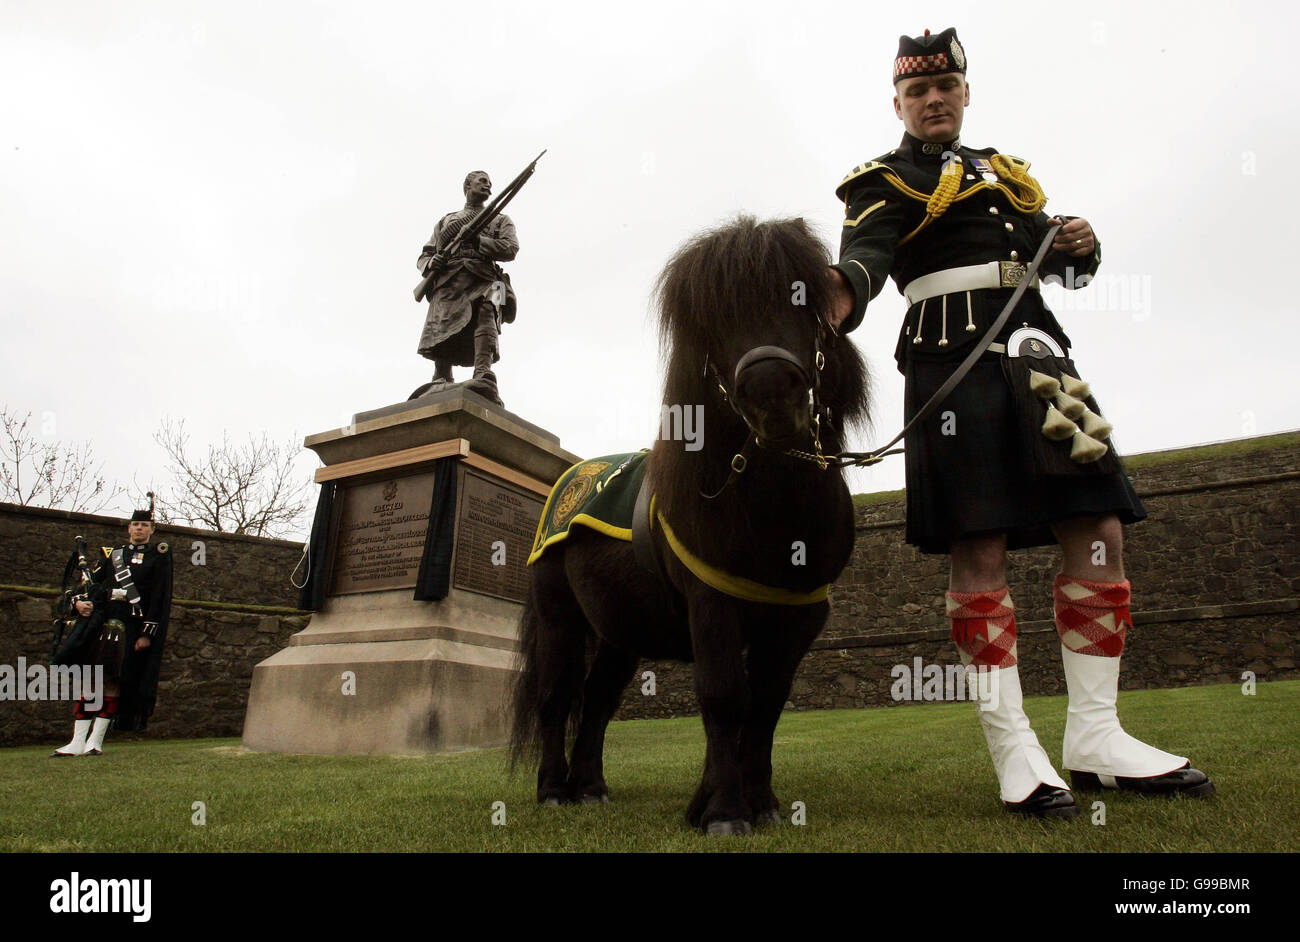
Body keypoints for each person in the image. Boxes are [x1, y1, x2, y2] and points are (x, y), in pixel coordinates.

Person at [828, 28, 1212, 817]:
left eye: (946, 88)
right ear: (898, 103)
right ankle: (1015, 748)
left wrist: (1079, 241)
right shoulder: (881, 180)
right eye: (916, 92)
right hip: (951, 363)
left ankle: (1096, 735)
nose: (933, 100)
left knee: (1098, 522)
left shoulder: (1007, 177)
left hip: (1041, 361)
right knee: (979, 539)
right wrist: (836, 292)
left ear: (965, 92)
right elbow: (866, 257)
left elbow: (1063, 271)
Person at [50, 496, 174, 756]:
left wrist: (147, 634)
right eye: (135, 524)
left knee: (114, 681)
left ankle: (96, 741)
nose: (139, 528)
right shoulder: (113, 555)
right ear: (128, 528)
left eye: (144, 525)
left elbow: (160, 598)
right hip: (103, 624)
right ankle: (77, 741)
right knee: (89, 679)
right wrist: (78, 604)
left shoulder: (158, 557)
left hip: (131, 626)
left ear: (152, 530)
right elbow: (90, 585)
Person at [415, 170, 519, 406]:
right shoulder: (447, 220)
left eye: (490, 183)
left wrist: (479, 241)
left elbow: (510, 249)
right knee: (442, 322)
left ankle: (483, 374)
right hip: (450, 279)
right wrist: (433, 263)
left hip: (489, 278)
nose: (488, 186)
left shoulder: (500, 219)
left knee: (488, 308)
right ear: (467, 186)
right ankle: (441, 377)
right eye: (482, 181)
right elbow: (425, 255)